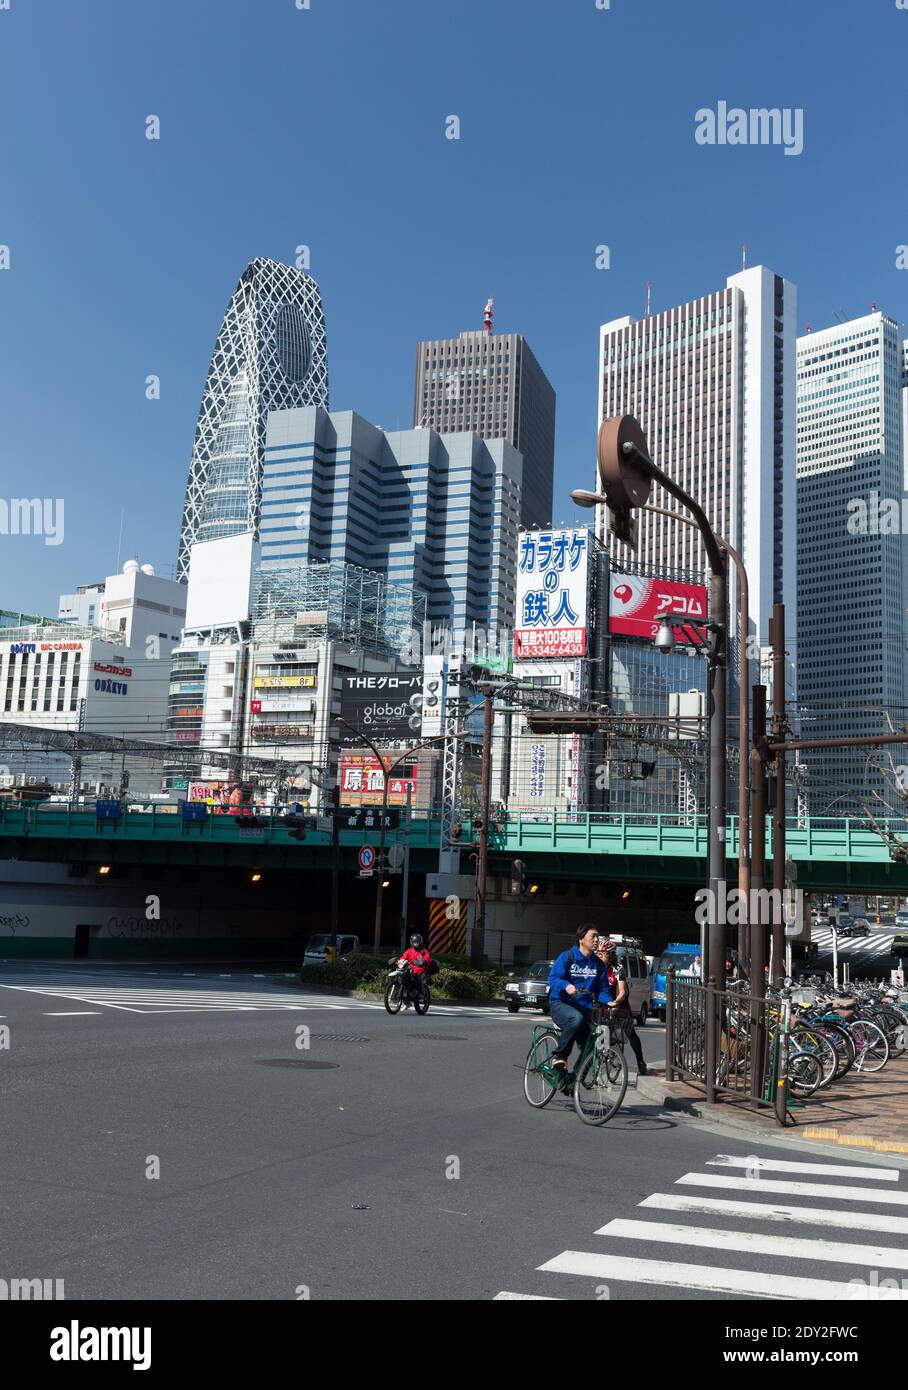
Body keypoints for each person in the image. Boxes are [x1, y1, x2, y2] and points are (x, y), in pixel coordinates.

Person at [547, 925, 615, 1086]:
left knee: (592, 1046)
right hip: (561, 1003)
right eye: (593, 936)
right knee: (575, 1019)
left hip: (585, 1008)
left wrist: (609, 1001)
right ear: (581, 939)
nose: (597, 940)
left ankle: (572, 1082)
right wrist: (566, 986)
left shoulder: (598, 964)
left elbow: (602, 990)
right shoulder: (567, 957)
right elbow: (553, 978)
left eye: (598, 936)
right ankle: (560, 1056)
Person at [598, 940, 647, 1076]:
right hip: (604, 1003)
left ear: (611, 955)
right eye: (599, 953)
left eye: (604, 954)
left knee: (630, 1033)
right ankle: (603, 1058)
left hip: (620, 1004)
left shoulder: (618, 969)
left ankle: (640, 1062)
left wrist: (616, 1002)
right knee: (601, 1033)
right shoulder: (597, 967)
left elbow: (623, 991)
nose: (600, 956)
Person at [398, 932, 432, 1008]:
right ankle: (407, 995)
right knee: (404, 976)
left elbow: (426, 959)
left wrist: (422, 961)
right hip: (411, 970)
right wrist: (400, 961)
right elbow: (403, 957)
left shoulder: (424, 951)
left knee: (418, 978)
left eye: (417, 942)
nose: (415, 944)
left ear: (420, 942)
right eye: (414, 942)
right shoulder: (409, 951)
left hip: (421, 971)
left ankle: (421, 994)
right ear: (411, 942)